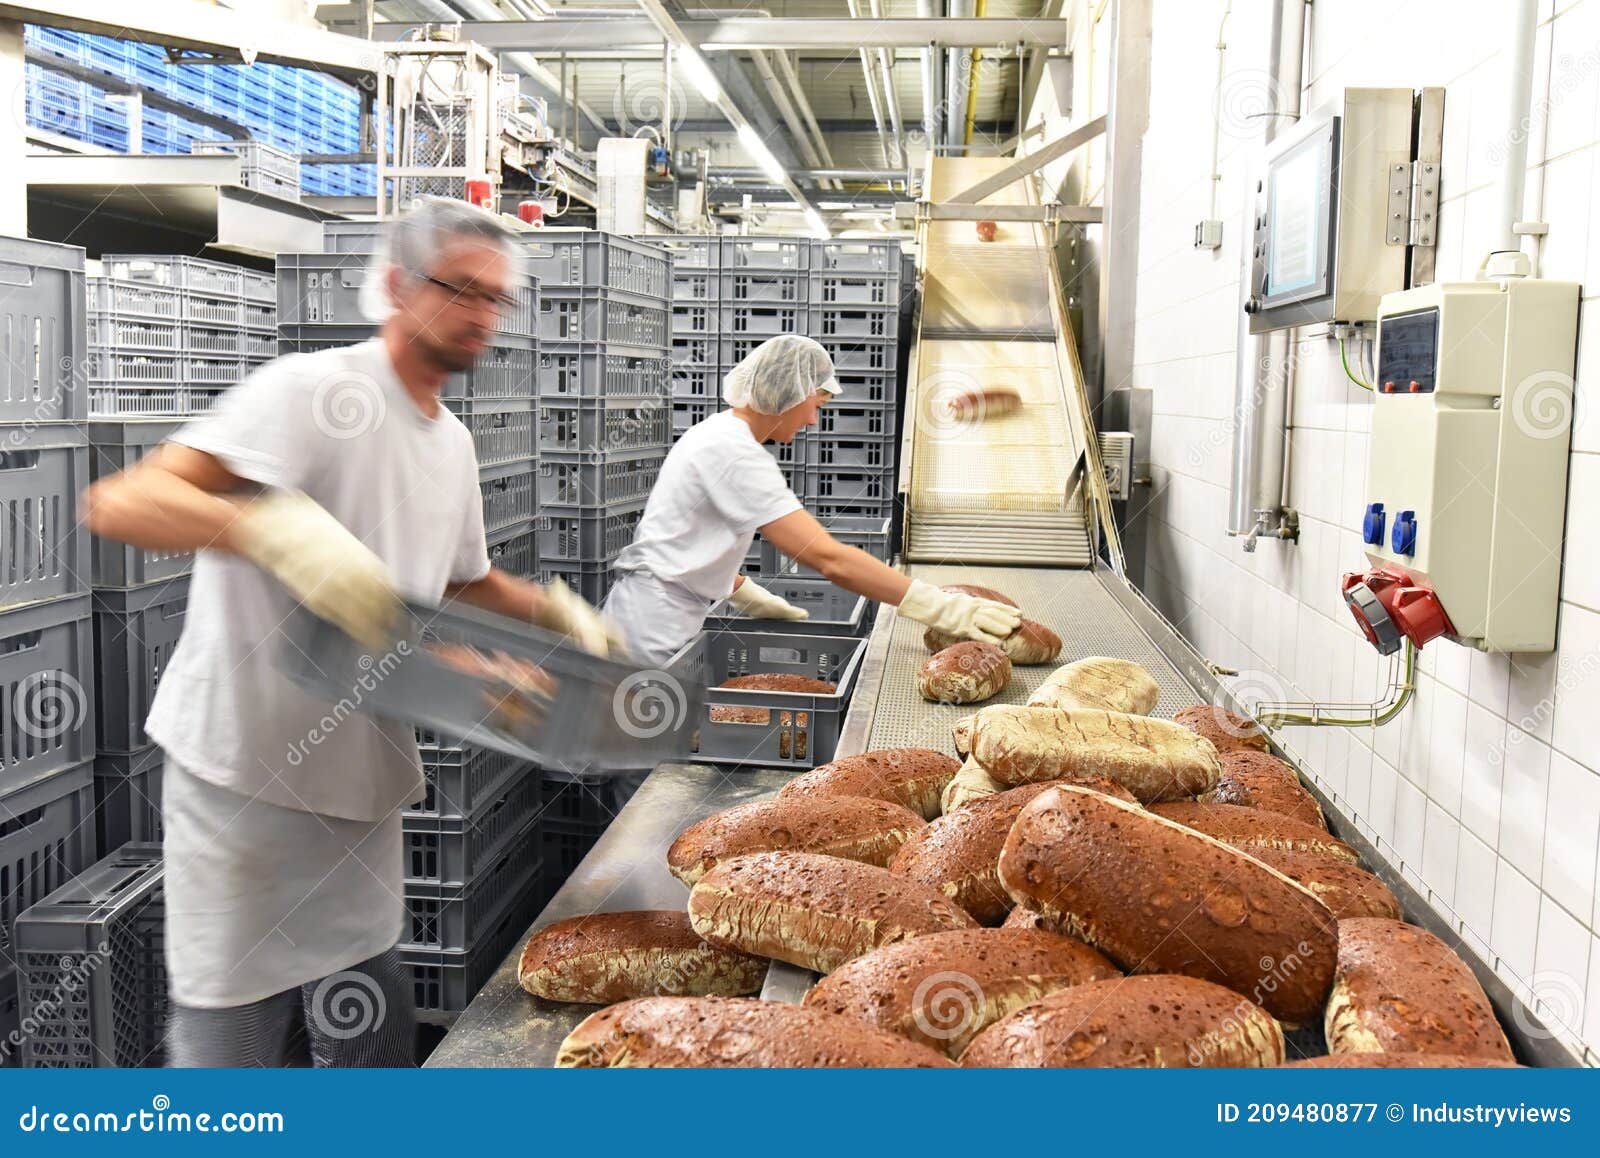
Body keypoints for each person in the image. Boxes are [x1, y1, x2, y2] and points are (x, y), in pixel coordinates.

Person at [81, 199, 613, 1068]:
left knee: (368, 1007)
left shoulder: (450, 443)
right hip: (248, 770)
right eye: (460, 289)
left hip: (359, 773)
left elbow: (457, 580)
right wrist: (270, 532)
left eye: (496, 298)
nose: (482, 314)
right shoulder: (311, 392)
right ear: (399, 286)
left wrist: (555, 616)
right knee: (236, 1028)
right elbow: (124, 500)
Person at [604, 334, 1022, 667]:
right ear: (786, 393)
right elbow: (828, 558)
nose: (812, 419)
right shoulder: (734, 453)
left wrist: (743, 591)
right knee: (639, 743)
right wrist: (941, 607)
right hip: (652, 632)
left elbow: (686, 537)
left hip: (660, 614)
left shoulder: (718, 434)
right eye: (815, 405)